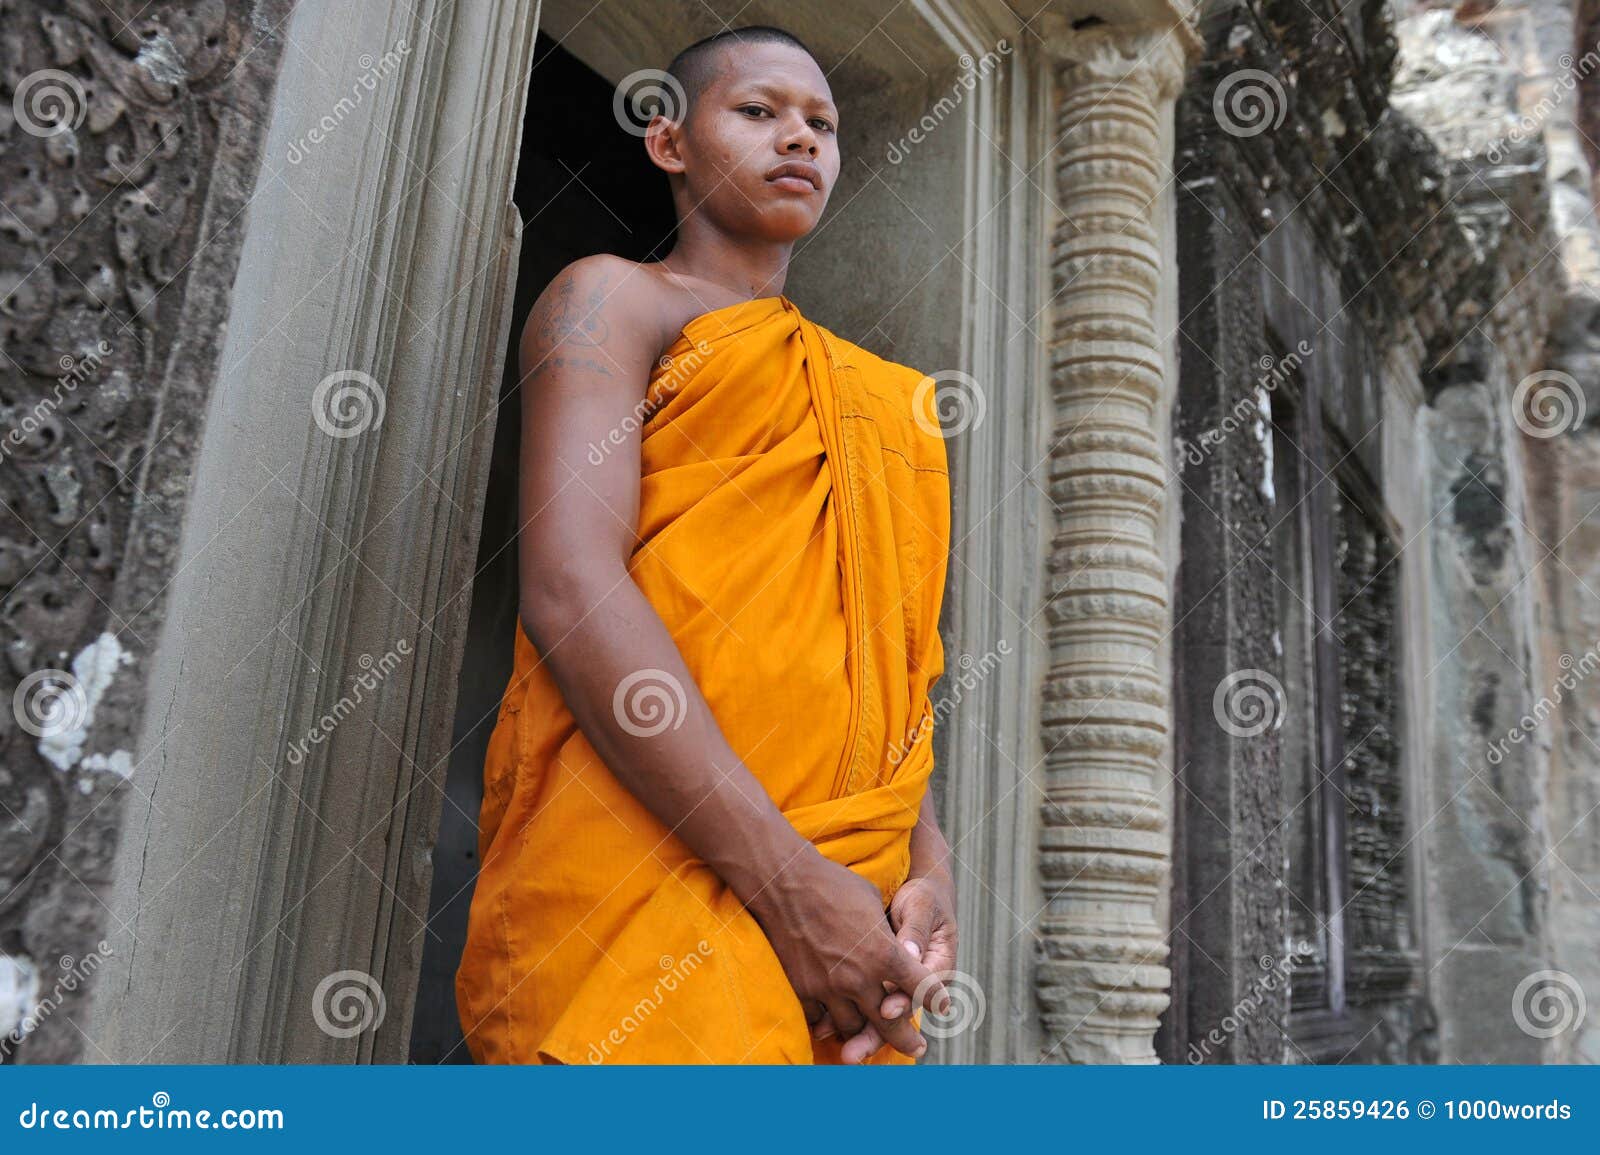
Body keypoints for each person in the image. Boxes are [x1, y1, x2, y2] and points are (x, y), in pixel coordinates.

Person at [455, 24, 957, 1065]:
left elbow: (892, 672)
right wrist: (784, 882)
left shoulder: (874, 400)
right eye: (759, 111)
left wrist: (928, 875)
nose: (800, 140)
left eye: (822, 124)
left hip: (847, 888)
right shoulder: (612, 300)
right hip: (644, 857)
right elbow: (569, 587)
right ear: (668, 142)